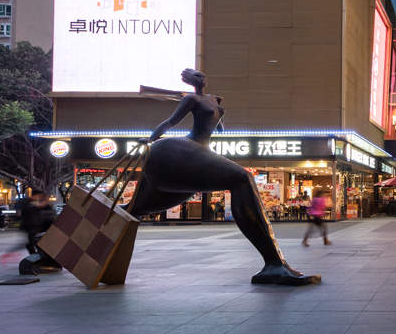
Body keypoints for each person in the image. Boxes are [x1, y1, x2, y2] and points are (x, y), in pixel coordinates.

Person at [132, 68, 317, 285]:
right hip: (180, 149)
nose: (201, 77)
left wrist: (221, 113)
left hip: (200, 150)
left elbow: (218, 130)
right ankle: (274, 264)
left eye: (202, 75)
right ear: (190, 81)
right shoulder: (190, 99)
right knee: (242, 178)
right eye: (195, 76)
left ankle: (276, 264)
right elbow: (170, 122)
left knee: (141, 205)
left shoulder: (213, 100)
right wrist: (150, 139)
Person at [20, 188, 55, 254]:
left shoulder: (42, 205)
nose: (39, 198)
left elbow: (49, 213)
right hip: (32, 227)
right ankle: (35, 256)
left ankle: (37, 255)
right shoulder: (28, 203)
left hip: (39, 228)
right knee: (33, 243)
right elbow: (28, 211)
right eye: (39, 196)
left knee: (36, 243)